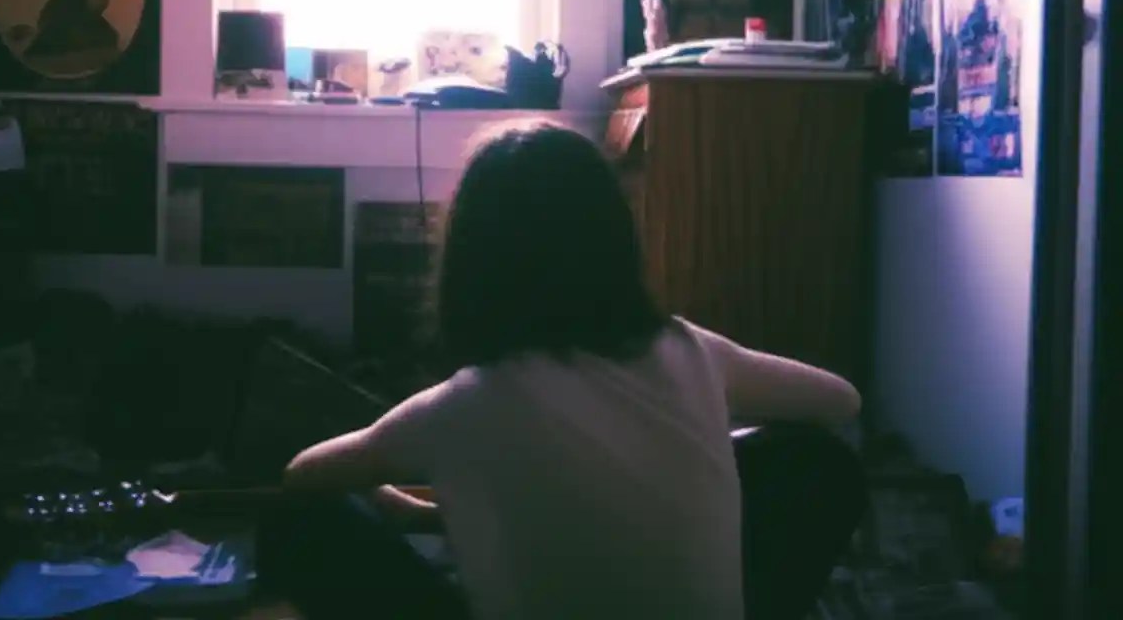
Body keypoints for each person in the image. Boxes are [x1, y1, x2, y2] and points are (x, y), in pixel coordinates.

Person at [280, 122, 864, 619]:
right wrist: (708, 445)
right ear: (613, 240)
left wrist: (409, 510)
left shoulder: (459, 408)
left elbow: (304, 475)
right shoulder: (691, 351)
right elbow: (841, 401)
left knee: (305, 524)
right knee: (814, 458)